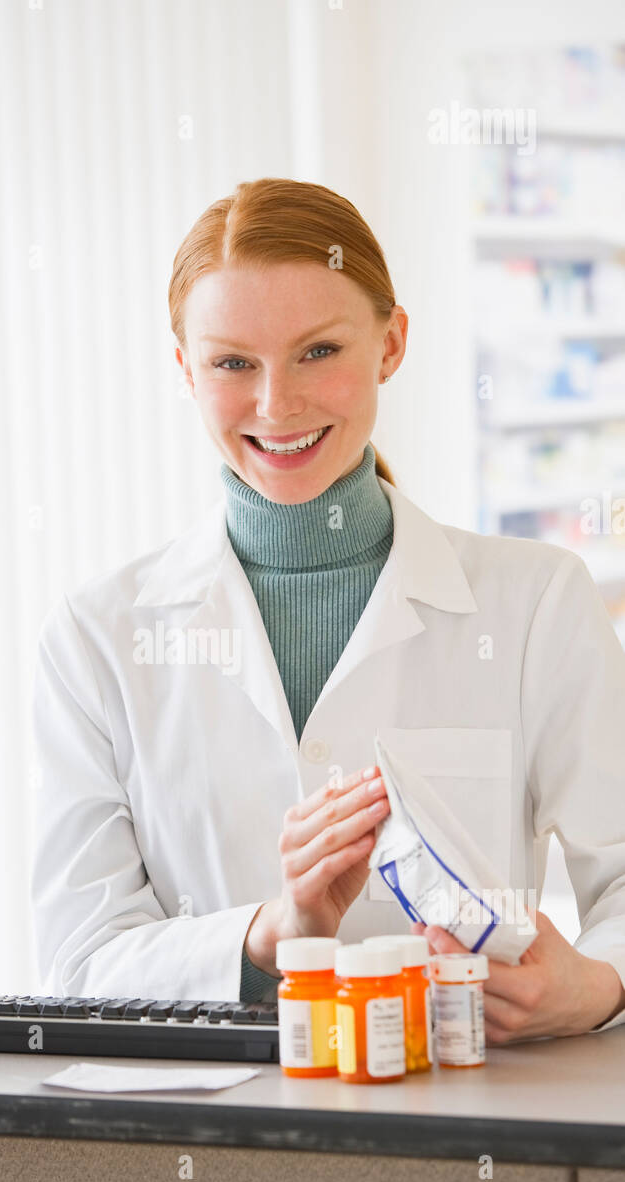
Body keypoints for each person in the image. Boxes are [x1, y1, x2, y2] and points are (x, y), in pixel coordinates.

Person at [31, 177, 625, 1041]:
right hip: (195, 1140)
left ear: (391, 344)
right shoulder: (96, 640)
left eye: (319, 352)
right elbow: (78, 965)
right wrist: (274, 932)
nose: (278, 403)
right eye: (233, 362)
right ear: (185, 369)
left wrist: (601, 983)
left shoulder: (534, 602)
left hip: (472, 1127)